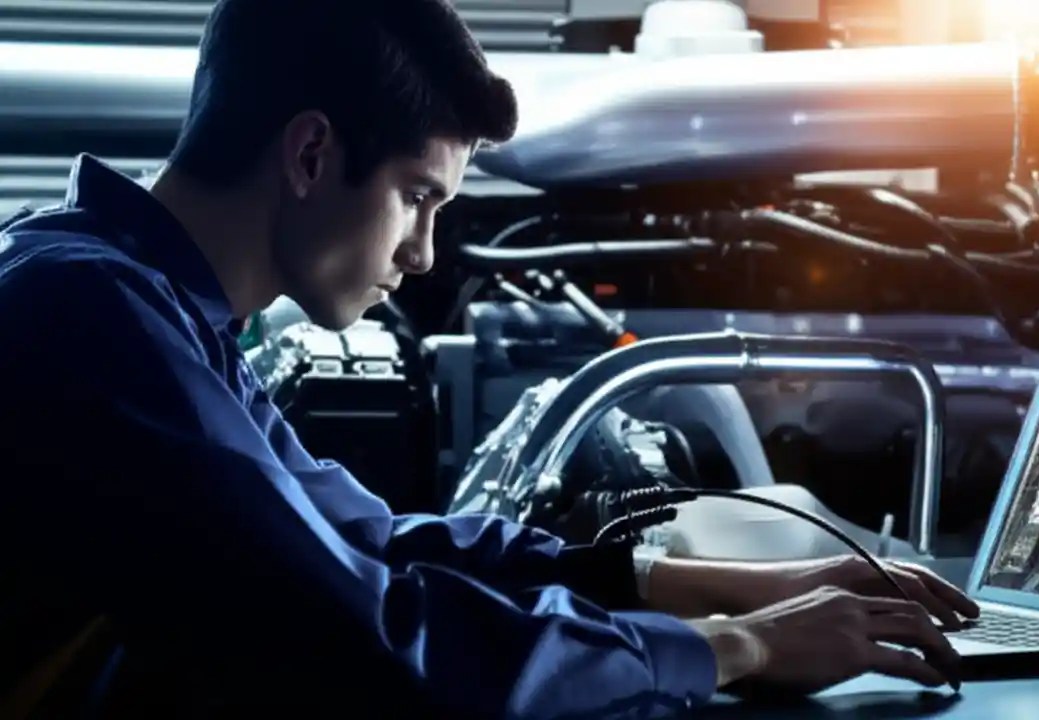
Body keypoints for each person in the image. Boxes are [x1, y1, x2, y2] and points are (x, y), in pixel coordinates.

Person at [0, 0, 978, 717]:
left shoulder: (147, 302)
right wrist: (734, 648)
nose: (424, 255)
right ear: (309, 156)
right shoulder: (88, 311)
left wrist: (685, 582)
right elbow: (371, 642)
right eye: (418, 197)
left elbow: (370, 542)